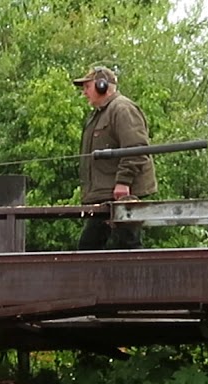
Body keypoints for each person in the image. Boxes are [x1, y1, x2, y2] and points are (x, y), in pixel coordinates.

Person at [73, 65, 157, 250]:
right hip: (106, 196)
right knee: (90, 246)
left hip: (122, 195)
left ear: (102, 85)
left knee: (126, 245)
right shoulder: (99, 114)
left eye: (87, 87)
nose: (84, 92)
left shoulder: (122, 109)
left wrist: (123, 182)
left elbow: (136, 148)